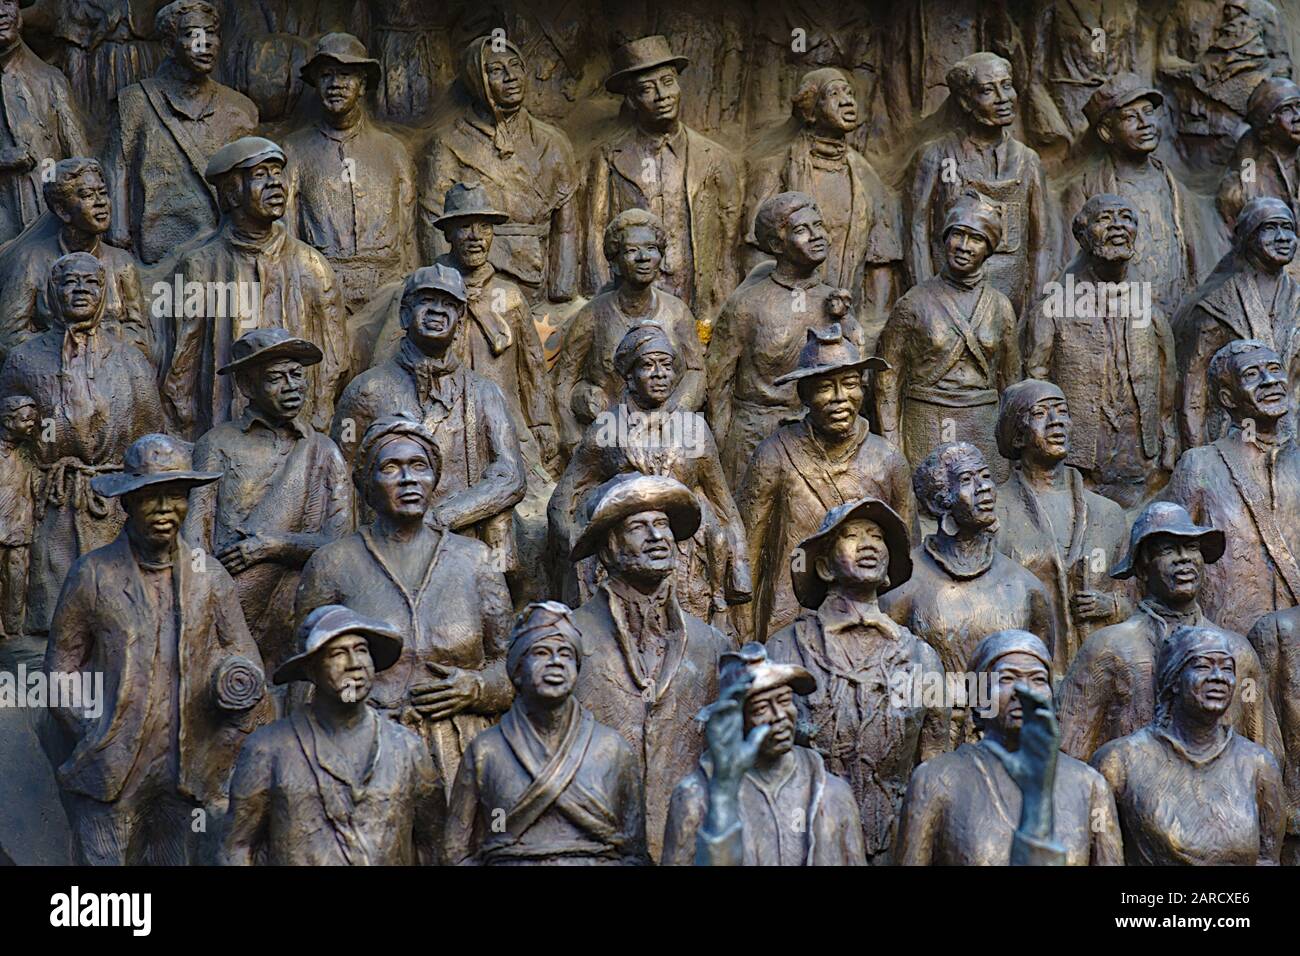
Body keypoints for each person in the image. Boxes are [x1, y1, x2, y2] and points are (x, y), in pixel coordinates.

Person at [42, 433, 273, 865]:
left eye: (176, 496)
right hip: (112, 768)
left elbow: (245, 662)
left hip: (188, 769)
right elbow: (59, 669)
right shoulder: (91, 574)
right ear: (127, 503)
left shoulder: (210, 576)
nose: (165, 510)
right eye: (151, 498)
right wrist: (93, 727)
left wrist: (232, 687)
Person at [295, 416, 514, 790]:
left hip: (463, 753)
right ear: (367, 485)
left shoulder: (476, 560)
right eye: (391, 468)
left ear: (434, 480)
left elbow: (512, 666)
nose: (408, 479)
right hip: (364, 753)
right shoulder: (333, 563)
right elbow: (305, 677)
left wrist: (476, 688)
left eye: (419, 467)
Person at [767, 497, 948, 864]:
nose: (868, 544)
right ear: (823, 567)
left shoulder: (922, 659)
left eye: (877, 537)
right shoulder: (784, 651)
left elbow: (935, 767)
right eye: (850, 536)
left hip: (897, 846)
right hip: (806, 842)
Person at [568, 473, 732, 862]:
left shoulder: (713, 644)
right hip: (595, 845)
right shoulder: (569, 636)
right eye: (639, 527)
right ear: (608, 549)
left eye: (662, 525)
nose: (657, 536)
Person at [0, 252, 164, 636]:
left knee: (116, 623)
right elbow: (11, 437)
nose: (80, 290)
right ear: (51, 292)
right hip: (50, 507)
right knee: (51, 627)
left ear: (105, 293)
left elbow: (152, 436)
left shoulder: (129, 361)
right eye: (69, 282)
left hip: (113, 510)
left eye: (91, 282)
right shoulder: (24, 360)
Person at [331, 264, 527, 575]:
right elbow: (339, 474)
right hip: (386, 553)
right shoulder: (365, 390)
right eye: (427, 301)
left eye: (448, 304)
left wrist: (441, 518)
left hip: (462, 543)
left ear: (460, 322)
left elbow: (510, 478)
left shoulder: (484, 393)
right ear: (405, 315)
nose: (437, 311)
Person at [549, 325, 750, 624]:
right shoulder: (607, 429)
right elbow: (562, 501)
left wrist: (740, 567)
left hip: (685, 554)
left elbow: (722, 502)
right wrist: (580, 547)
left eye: (667, 365)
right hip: (624, 554)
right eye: (647, 365)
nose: (660, 374)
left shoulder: (695, 430)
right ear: (629, 376)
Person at [218, 605, 445, 865]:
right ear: (312, 670)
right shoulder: (267, 750)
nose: (354, 664)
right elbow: (235, 848)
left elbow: (433, 844)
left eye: (361, 650)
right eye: (338, 653)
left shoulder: (408, 749)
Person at [184, 329, 353, 677]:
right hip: (229, 600)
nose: (291, 386)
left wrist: (271, 546)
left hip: (300, 602)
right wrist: (204, 598)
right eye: (275, 378)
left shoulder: (323, 451)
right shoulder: (217, 444)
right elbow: (194, 540)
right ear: (247, 385)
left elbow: (339, 546)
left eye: (297, 375)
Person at [1059, 501, 1282, 762]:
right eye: (1168, 550)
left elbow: (1263, 752)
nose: (1184, 558)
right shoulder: (1107, 649)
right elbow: (1068, 759)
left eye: (1192, 548)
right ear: (1142, 567)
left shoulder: (1238, 653)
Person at [163, 136, 348, 440]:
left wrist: (320, 417)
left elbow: (335, 355)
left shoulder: (311, 264)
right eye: (260, 175)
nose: (275, 184)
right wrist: (184, 432)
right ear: (232, 193)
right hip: (221, 430)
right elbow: (182, 361)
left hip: (297, 436)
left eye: (278, 174)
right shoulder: (200, 266)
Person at [736, 324, 911, 644]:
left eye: (850, 384)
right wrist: (745, 634)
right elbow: (747, 549)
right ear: (804, 394)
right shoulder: (774, 454)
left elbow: (904, 555)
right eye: (825, 387)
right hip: (787, 617)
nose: (840, 398)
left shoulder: (888, 461)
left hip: (867, 619)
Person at [893, 630, 1123, 865]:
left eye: (1038, 679)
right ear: (979, 700)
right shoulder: (935, 780)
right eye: (1007, 679)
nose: (1024, 692)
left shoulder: (1090, 785)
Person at [445, 601, 648, 865]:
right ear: (517, 670)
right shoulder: (486, 751)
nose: (555, 662)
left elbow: (635, 853)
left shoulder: (613, 749)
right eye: (541, 652)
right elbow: (454, 852)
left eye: (565, 654)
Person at [881, 443, 1055, 734]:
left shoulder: (1027, 588)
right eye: (966, 480)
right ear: (939, 501)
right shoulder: (902, 584)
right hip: (927, 739)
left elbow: (1045, 677)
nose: (983, 488)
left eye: (986, 477)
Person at [1024, 193, 1178, 508]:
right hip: (1077, 459)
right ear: (1081, 234)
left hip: (1139, 460)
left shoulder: (1150, 311)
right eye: (1105, 218)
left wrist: (1169, 435)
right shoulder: (1053, 308)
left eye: (1127, 218)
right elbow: (1033, 379)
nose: (1118, 226)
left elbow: (1166, 375)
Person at [1092, 624, 1285, 865]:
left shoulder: (1259, 765)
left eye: (1227, 669)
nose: (1218, 677)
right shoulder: (1118, 762)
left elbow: (1269, 859)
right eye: (1203, 666)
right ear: (1174, 679)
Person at [583, 35, 741, 326]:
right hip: (629, 295)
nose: (662, 95)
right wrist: (600, 303)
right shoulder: (607, 156)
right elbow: (594, 232)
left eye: (668, 82)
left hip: (695, 293)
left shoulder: (716, 158)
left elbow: (728, 243)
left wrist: (721, 305)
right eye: (647, 89)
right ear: (631, 99)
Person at [662, 641, 867, 865]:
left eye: (785, 701)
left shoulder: (835, 794)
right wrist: (723, 794)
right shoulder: (694, 799)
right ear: (735, 721)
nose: (779, 715)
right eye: (761, 709)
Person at [708, 192, 863, 484]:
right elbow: (717, 385)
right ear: (777, 244)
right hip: (755, 436)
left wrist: (844, 322)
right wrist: (720, 447)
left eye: (819, 226)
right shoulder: (747, 304)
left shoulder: (834, 302)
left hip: (817, 438)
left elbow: (854, 375)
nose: (817, 236)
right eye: (803, 230)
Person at [741, 67, 904, 334]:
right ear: (810, 111)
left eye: (850, 93)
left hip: (846, 316)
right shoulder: (776, 167)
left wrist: (874, 322)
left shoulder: (865, 176)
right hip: (783, 315)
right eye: (834, 93)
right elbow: (755, 251)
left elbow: (881, 259)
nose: (847, 101)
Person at [419, 34, 578, 305]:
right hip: (470, 281)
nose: (511, 76)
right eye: (495, 70)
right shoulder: (448, 142)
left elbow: (566, 225)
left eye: (515, 65)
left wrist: (562, 289)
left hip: (535, 278)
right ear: (475, 80)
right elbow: (433, 222)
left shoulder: (552, 142)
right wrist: (444, 286)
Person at [875, 190, 1020, 481]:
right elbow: (886, 378)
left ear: (988, 249)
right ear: (945, 239)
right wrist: (892, 443)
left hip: (984, 426)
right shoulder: (913, 302)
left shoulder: (1000, 306)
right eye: (958, 235)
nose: (964, 246)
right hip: (927, 422)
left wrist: (1014, 447)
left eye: (976, 239)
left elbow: (1011, 381)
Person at [103, 0, 257, 265]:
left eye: (211, 33)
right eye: (192, 35)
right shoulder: (134, 102)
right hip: (156, 254)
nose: (204, 43)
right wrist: (118, 237)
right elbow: (116, 168)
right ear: (168, 46)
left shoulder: (241, 110)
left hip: (224, 253)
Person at [993, 380, 1130, 674]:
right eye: (1040, 413)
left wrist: (1115, 607)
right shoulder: (993, 512)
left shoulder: (1109, 514)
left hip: (1101, 677)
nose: (1057, 422)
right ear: (1018, 436)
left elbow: (1144, 603)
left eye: (1062, 412)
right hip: (1026, 681)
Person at [1166, 339, 1300, 635]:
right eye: (1252, 374)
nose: (1270, 381)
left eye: (1275, 369)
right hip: (1225, 650)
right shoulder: (1199, 465)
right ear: (1227, 397)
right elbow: (1167, 556)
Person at [906, 51, 1051, 315]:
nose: (1003, 98)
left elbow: (1040, 243)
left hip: (1010, 300)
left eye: (1007, 86)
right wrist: (922, 298)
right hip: (946, 299)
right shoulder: (937, 154)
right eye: (987, 90)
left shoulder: (1028, 160)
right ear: (965, 100)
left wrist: (1035, 310)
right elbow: (917, 229)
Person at [283, 33, 417, 315]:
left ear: (363, 84)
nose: (335, 85)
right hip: (319, 291)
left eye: (346, 75)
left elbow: (408, 234)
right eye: (326, 75)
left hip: (388, 292)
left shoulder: (393, 151)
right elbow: (286, 234)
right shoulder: (293, 150)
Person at [554, 208, 704, 454]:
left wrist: (675, 411)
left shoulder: (677, 312)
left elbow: (696, 372)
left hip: (668, 436)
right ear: (615, 262)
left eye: (652, 249)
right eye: (632, 251)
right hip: (608, 439)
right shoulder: (593, 314)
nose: (643, 257)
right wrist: (570, 432)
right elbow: (563, 381)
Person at [1061, 74, 1196, 321]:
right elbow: (1070, 261)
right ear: (1106, 132)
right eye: (1130, 117)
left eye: (1148, 112)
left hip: (1175, 312)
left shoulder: (1173, 185)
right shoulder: (1084, 187)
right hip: (1112, 314)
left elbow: (1191, 256)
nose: (1145, 123)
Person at [0, 157, 150, 366]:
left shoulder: (122, 263)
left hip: (111, 374)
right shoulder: (31, 261)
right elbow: (8, 337)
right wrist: (66, 350)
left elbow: (140, 335)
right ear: (62, 210)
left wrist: (100, 350)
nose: (101, 203)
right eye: (88, 195)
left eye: (103, 193)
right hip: (51, 375)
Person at [1175, 197, 1300, 447]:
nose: (1283, 237)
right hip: (1232, 442)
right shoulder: (1217, 306)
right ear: (1248, 237)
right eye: (1270, 228)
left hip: (1291, 442)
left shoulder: (1296, 299)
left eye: (1288, 228)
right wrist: (1197, 457)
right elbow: (1193, 390)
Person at [0, 0, 89, 245]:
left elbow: (81, 159)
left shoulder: (50, 80)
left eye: (7, 2)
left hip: (48, 221)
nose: (1, 13)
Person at [1217, 77, 1300, 226]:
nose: (1298, 116)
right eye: (1286, 110)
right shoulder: (1240, 189)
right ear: (1266, 124)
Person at [0, 395, 37, 639]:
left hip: (20, 525)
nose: (32, 425)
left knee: (17, 575)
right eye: (26, 420)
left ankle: (14, 628)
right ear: (7, 421)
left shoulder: (28, 453)